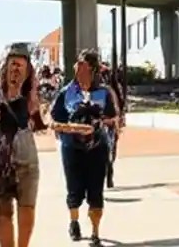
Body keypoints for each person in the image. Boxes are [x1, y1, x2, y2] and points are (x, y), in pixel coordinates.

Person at [49, 50, 119, 246]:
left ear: (93, 70)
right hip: (71, 147)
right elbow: (54, 117)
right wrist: (66, 127)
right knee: (74, 188)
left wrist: (102, 121)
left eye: (84, 66)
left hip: (98, 147)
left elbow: (113, 117)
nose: (79, 70)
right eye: (78, 65)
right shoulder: (66, 92)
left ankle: (95, 233)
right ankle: (74, 222)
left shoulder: (104, 92)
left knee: (96, 191)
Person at [0, 45, 44, 247]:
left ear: (28, 69)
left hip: (26, 159)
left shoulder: (31, 91)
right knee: (3, 213)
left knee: (27, 207)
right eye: (13, 64)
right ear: (5, 66)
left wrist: (33, 104)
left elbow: (38, 124)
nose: (16, 70)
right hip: (1, 160)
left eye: (21, 65)